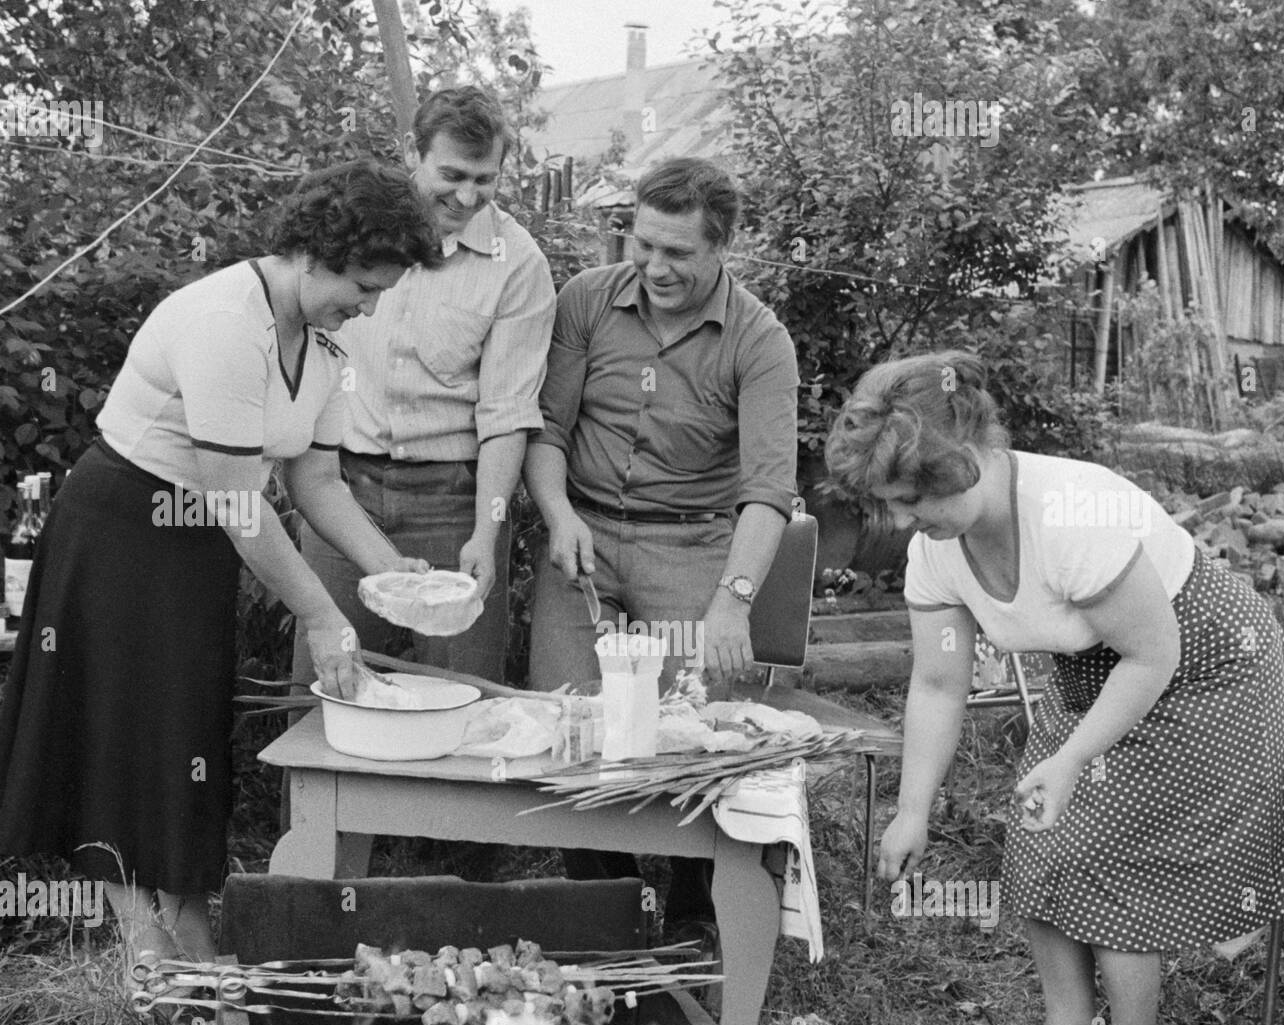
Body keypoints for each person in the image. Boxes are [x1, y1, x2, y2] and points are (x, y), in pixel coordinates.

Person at [826, 351, 1284, 1025]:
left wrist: (1074, 757)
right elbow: (939, 684)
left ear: (966, 461)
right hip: (1097, 674)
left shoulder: (1071, 514)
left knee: (1113, 858)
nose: (905, 521)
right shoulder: (936, 551)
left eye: (913, 500)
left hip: (1207, 666)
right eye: (891, 504)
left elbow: (1154, 655)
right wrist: (912, 808)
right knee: (1042, 842)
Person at [0, 160, 438, 973]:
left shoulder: (324, 339)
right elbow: (243, 502)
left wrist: (392, 573)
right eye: (363, 286)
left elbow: (315, 479)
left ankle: (190, 923)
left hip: (200, 534)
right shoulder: (224, 323)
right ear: (317, 252)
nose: (369, 306)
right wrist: (320, 611)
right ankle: (145, 946)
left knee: (185, 728)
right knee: (123, 730)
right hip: (121, 525)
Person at [524, 156, 800, 926]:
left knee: (691, 737)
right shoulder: (584, 299)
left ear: (722, 248)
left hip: (690, 548)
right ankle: (608, 908)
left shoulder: (761, 341)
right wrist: (557, 513)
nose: (653, 265)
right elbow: (546, 429)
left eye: (677, 252)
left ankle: (687, 915)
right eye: (643, 244)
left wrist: (732, 603)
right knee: (569, 729)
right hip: (580, 536)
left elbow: (767, 492)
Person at [291, 86, 556, 690]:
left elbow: (507, 412)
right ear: (414, 151)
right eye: (453, 174)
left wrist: (486, 535)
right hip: (341, 491)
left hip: (454, 500)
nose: (468, 195)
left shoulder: (517, 262)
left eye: (485, 179)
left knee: (460, 700)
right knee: (323, 688)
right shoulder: (356, 226)